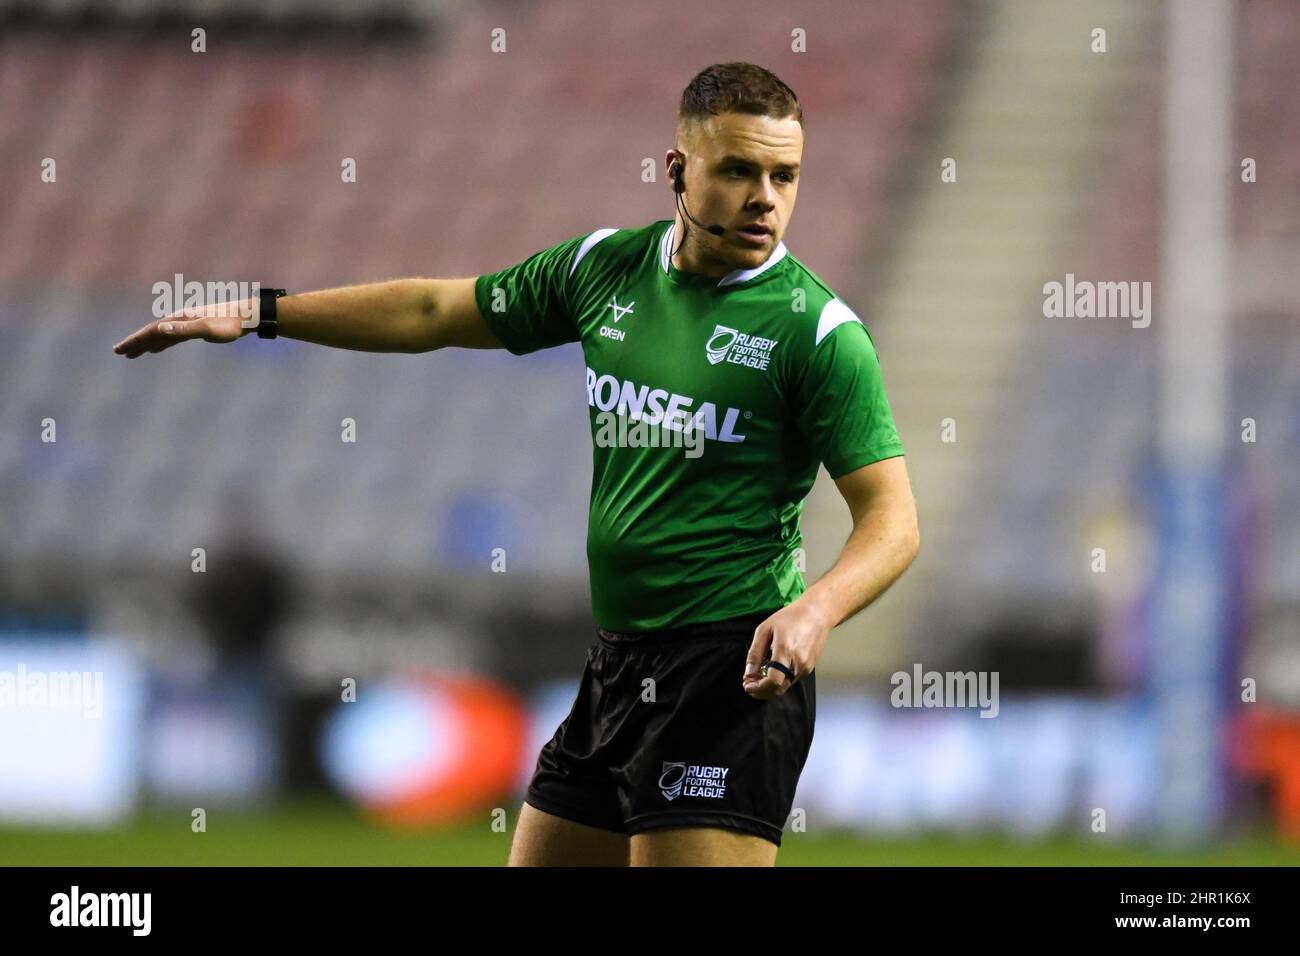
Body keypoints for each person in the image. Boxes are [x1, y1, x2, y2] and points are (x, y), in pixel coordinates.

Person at [113, 61, 920, 867]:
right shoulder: (604, 270)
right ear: (678, 169)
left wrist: (817, 611)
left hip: (730, 673)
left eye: (785, 175)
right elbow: (436, 309)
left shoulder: (818, 334)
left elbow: (893, 519)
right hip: (619, 665)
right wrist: (263, 313)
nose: (765, 198)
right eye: (739, 170)